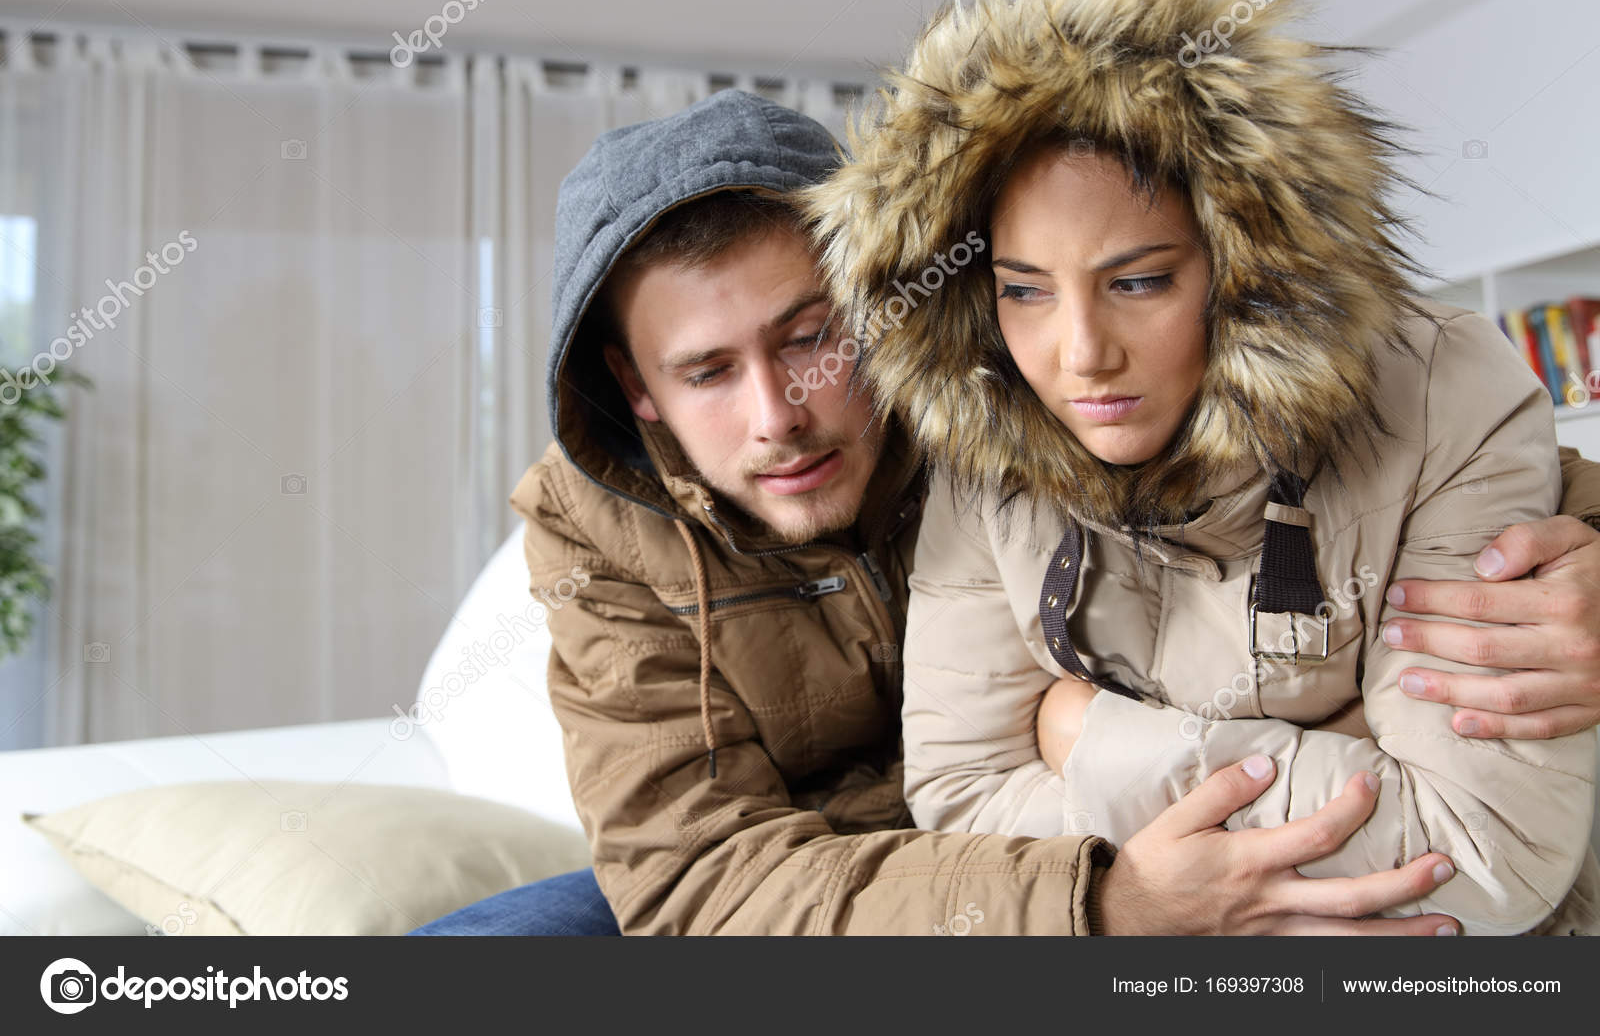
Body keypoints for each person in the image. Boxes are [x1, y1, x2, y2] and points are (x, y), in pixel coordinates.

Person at [410, 87, 1600, 936]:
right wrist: (1104, 908)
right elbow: (697, 889)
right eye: (709, 372)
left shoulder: (1015, 389)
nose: (779, 414)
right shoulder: (596, 530)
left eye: (812, 339)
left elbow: (1464, 476)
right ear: (638, 391)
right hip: (856, 894)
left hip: (1084, 829)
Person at [801, 0, 1600, 934]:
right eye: (1025, 289)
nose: (1078, 355)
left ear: (1244, 269)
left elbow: (1482, 860)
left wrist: (1078, 732)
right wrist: (1169, 887)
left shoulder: (1447, 391)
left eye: (1137, 282)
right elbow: (958, 802)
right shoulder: (981, 453)